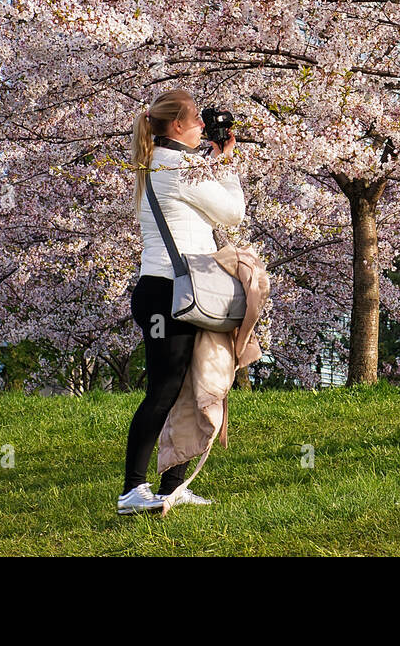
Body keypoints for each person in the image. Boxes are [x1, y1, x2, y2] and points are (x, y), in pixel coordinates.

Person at [117, 88, 247, 515]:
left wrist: (211, 162)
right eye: (197, 122)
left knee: (190, 387)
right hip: (168, 293)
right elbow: (232, 214)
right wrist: (225, 165)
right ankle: (132, 490)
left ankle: (172, 485)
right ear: (177, 125)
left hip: (166, 289)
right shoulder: (178, 166)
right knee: (165, 389)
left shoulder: (161, 161)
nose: (202, 129)